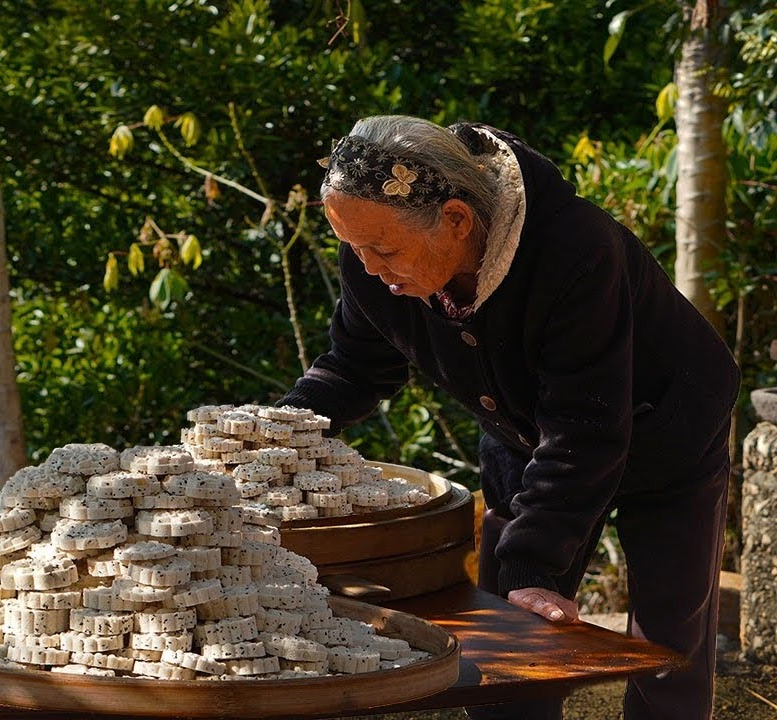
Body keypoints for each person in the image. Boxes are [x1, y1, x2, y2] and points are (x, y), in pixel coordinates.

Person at [280, 115, 738, 719]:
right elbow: (355, 367)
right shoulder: (372, 259)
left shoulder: (575, 249)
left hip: (668, 427)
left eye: (383, 250)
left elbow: (584, 425)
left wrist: (533, 564)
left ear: (456, 220)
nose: (367, 267)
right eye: (352, 246)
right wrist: (275, 432)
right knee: (502, 644)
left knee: (666, 639)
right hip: (526, 436)